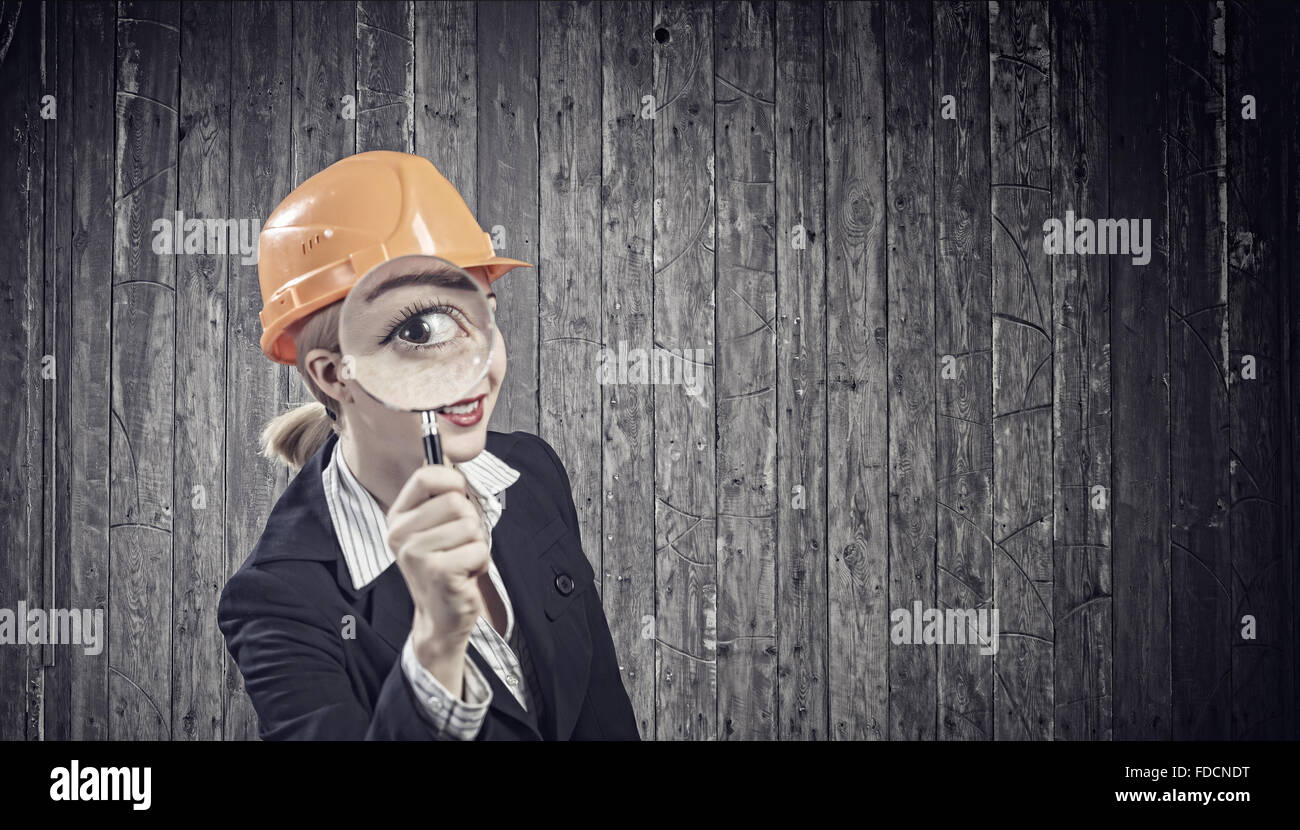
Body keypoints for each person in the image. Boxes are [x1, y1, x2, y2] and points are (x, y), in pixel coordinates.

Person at [217, 151, 639, 740]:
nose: (478, 367)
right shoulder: (277, 598)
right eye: (421, 330)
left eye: (483, 317)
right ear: (335, 373)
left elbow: (601, 716)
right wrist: (437, 645)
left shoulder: (532, 472)